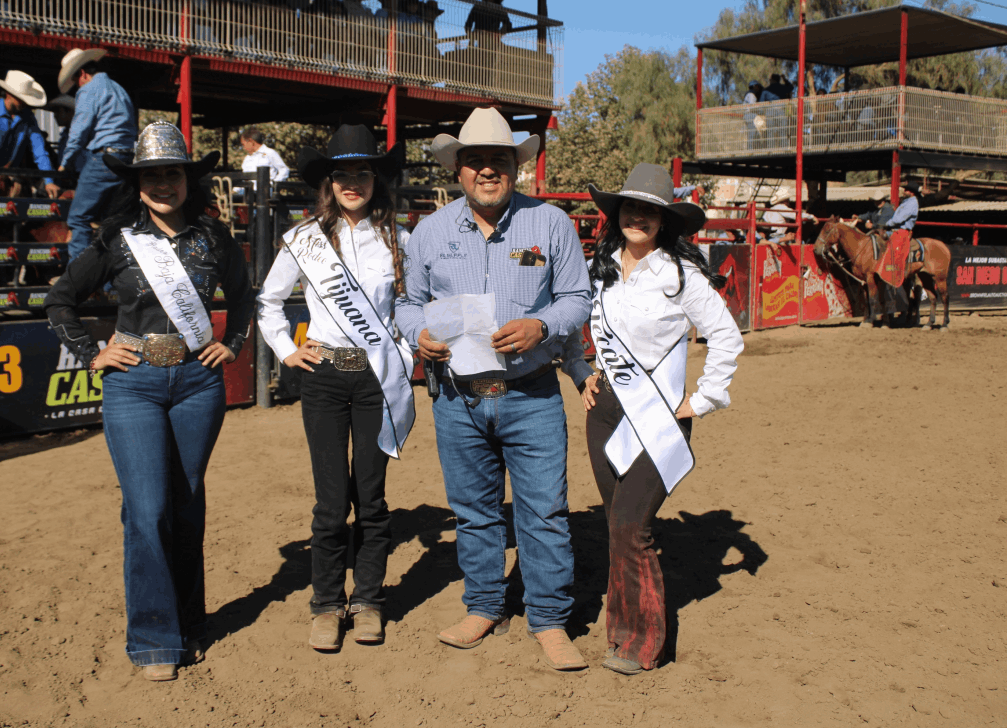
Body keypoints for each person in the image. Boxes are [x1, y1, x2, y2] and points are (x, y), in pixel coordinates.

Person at [44, 121, 253, 682]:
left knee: (185, 504)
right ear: (137, 184)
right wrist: (93, 352)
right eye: (152, 175)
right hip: (132, 383)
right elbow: (59, 303)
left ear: (188, 179)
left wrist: (230, 345)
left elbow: (244, 296)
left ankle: (190, 621)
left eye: (173, 173)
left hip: (195, 382)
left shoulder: (213, 238)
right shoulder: (115, 240)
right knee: (146, 508)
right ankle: (154, 637)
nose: (163, 183)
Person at [394, 107, 591, 671]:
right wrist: (420, 335)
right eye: (475, 161)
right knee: (474, 512)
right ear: (457, 170)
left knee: (545, 512)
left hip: (530, 393)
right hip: (458, 399)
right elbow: (407, 304)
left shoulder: (550, 224)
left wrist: (543, 326)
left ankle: (550, 620)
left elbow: (578, 297)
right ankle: (483, 606)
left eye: (498, 161)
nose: (487, 170)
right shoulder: (428, 233)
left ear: (516, 167)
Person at [561, 163, 744, 675]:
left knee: (630, 525)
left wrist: (703, 400)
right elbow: (573, 328)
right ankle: (620, 631)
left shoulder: (681, 276)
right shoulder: (599, 269)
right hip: (606, 412)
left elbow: (728, 338)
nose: (638, 216)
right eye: (631, 206)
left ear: (665, 220)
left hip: (659, 417)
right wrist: (581, 371)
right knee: (616, 527)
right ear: (617, 213)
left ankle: (646, 644)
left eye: (651, 210)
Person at [257, 124, 415, 651]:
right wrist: (286, 350)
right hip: (323, 379)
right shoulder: (304, 239)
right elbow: (267, 302)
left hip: (377, 381)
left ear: (377, 179)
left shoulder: (400, 238)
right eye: (342, 173)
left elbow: (415, 308)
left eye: (362, 172)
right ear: (329, 181)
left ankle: (368, 600)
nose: (353, 182)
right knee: (330, 503)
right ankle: (326, 605)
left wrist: (407, 353)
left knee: (371, 499)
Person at [56, 47, 139, 262]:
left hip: (103, 159)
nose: (77, 86)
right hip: (126, 160)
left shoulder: (89, 89)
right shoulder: (119, 89)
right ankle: (112, 282)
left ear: (82, 74)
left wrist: (65, 163)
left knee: (78, 218)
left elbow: (79, 130)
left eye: (76, 80)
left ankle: (80, 280)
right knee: (112, 221)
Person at [0, 70, 60, 198]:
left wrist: (49, 181)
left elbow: (40, 152)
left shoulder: (28, 117)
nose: (25, 103)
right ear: (9, 94)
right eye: (21, 98)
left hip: (9, 176)